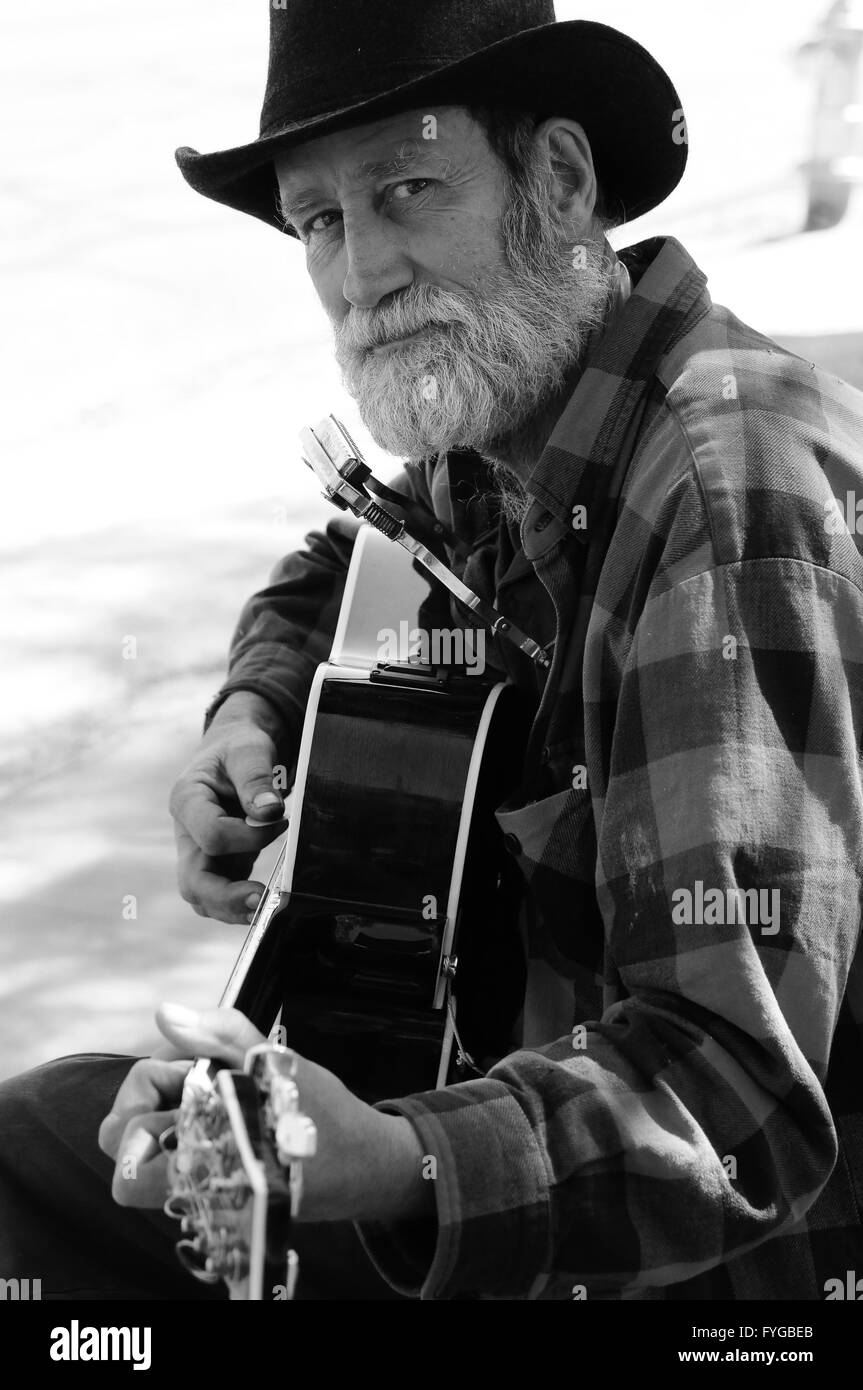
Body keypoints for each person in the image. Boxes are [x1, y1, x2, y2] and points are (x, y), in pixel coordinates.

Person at [2, 0, 863, 1302]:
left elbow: (732, 1091)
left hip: (701, 1280)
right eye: (320, 223)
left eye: (406, 190)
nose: (362, 274)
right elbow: (341, 565)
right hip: (512, 1154)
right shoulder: (521, 423)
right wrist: (250, 716)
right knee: (65, 1134)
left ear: (560, 183)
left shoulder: (725, 486)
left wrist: (398, 1160)